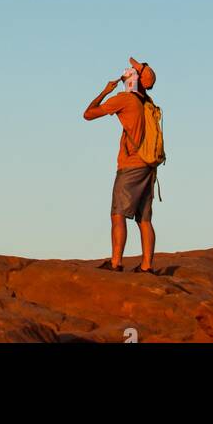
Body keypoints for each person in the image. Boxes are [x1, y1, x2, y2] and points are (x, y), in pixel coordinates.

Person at [83, 58, 158, 273]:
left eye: (132, 70)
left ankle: (116, 263)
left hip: (130, 165)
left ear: (134, 78)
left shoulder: (125, 99)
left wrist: (105, 91)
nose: (127, 71)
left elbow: (88, 114)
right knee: (144, 218)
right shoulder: (147, 102)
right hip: (149, 166)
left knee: (118, 214)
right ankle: (146, 266)